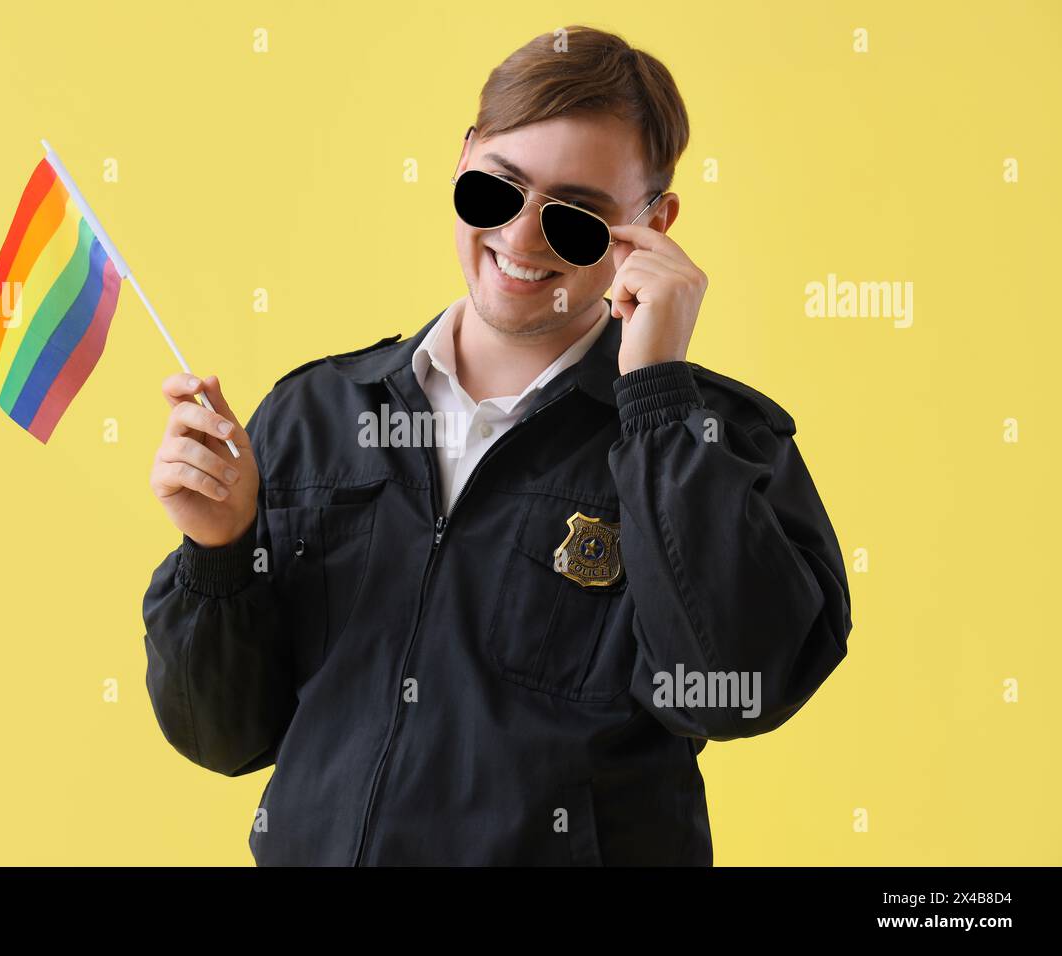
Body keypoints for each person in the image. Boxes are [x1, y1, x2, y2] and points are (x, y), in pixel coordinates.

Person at [142, 25, 851, 865]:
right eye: (496, 190)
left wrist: (658, 403)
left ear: (653, 226)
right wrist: (218, 552)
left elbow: (739, 693)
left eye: (576, 218)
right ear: (462, 159)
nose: (520, 239)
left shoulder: (712, 440)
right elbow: (222, 737)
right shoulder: (316, 415)